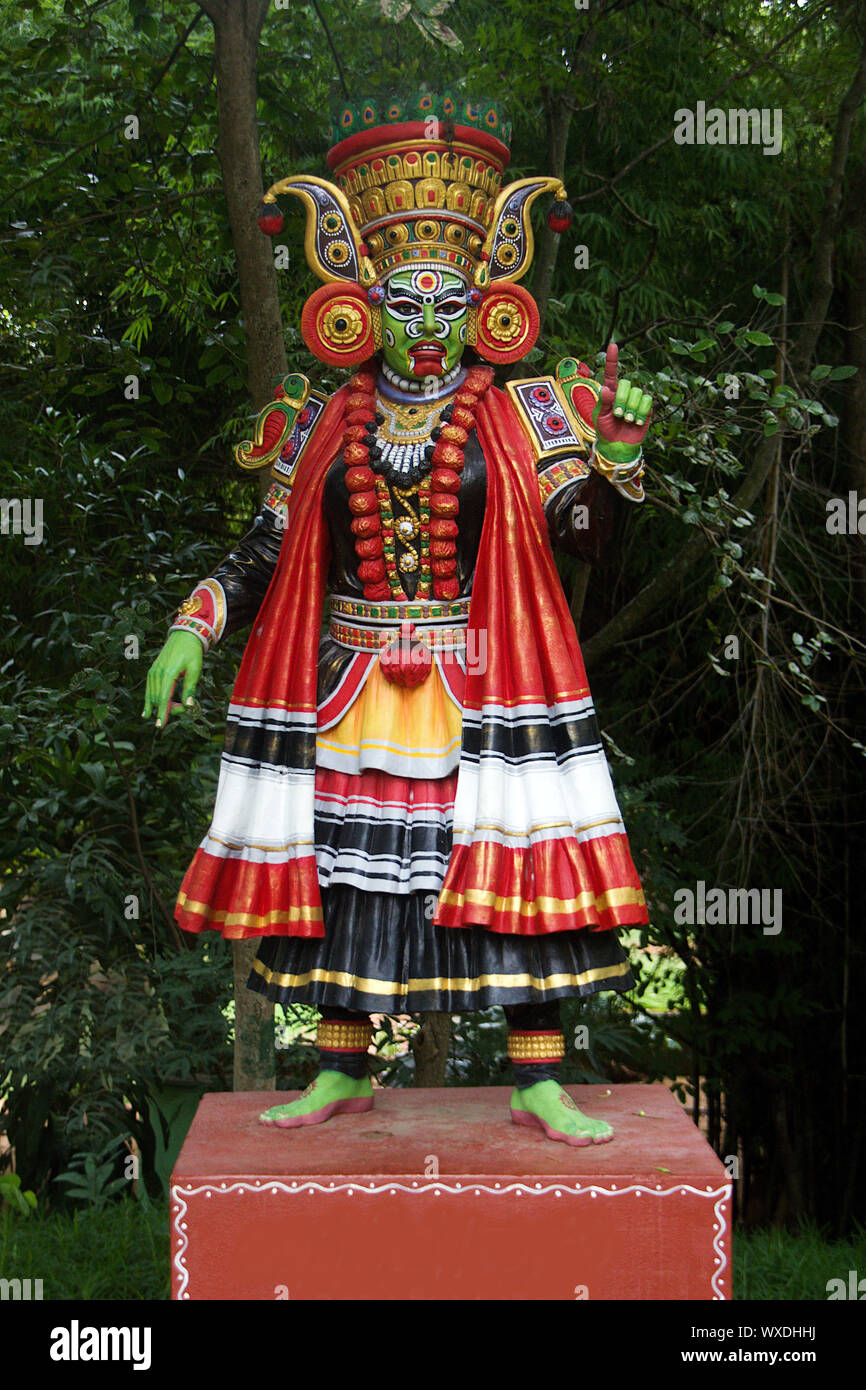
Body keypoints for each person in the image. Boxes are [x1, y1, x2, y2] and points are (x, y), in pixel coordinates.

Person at [143, 94, 652, 1147]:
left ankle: (536, 1074)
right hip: (349, 684)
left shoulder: (525, 411)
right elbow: (268, 546)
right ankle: (339, 1065)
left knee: (510, 860)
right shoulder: (324, 419)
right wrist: (196, 621)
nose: (425, 324)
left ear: (482, 305)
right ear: (362, 305)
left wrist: (616, 455)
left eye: (445, 302)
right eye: (404, 302)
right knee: (346, 869)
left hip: (485, 677)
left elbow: (586, 534)